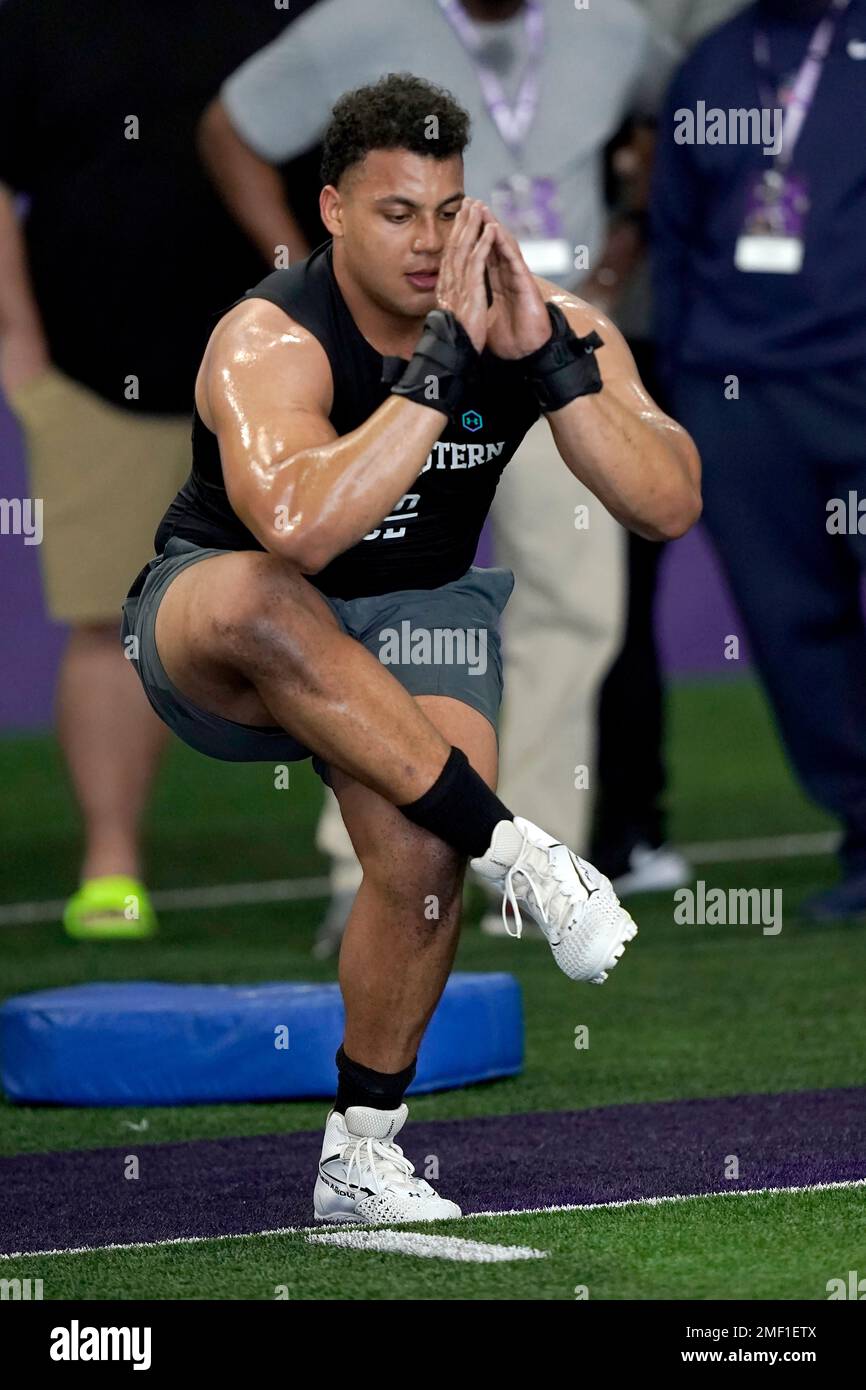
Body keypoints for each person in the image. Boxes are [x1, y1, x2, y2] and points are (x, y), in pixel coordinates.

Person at [122, 76, 700, 1221]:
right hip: (225, 623)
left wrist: (547, 363)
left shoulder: (533, 313)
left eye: (447, 211)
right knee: (259, 595)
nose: (429, 242)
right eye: (396, 214)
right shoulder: (265, 336)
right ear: (332, 209)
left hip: (415, 612)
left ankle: (362, 1151)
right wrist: (438, 370)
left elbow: (666, 501)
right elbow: (297, 527)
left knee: (422, 859)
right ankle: (522, 849)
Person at [195, 0, 681, 952]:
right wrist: (308, 276)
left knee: (577, 610)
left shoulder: (610, 25)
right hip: (395, 357)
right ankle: (367, 869)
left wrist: (627, 233)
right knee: (367, 605)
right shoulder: (355, 25)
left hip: (541, 347)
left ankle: (534, 881)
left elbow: (690, 107)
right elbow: (231, 129)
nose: (427, 227)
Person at [0, 0, 310, 938]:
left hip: (288, 369)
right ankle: (111, 869)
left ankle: (377, 871)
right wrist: (20, 347)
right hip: (95, 370)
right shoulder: (34, 18)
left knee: (366, 611)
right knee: (111, 620)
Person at [652, 0, 866, 920]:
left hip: (858, 374)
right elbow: (674, 229)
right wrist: (683, 382)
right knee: (791, 630)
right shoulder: (711, 64)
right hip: (740, 397)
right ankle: (863, 828)